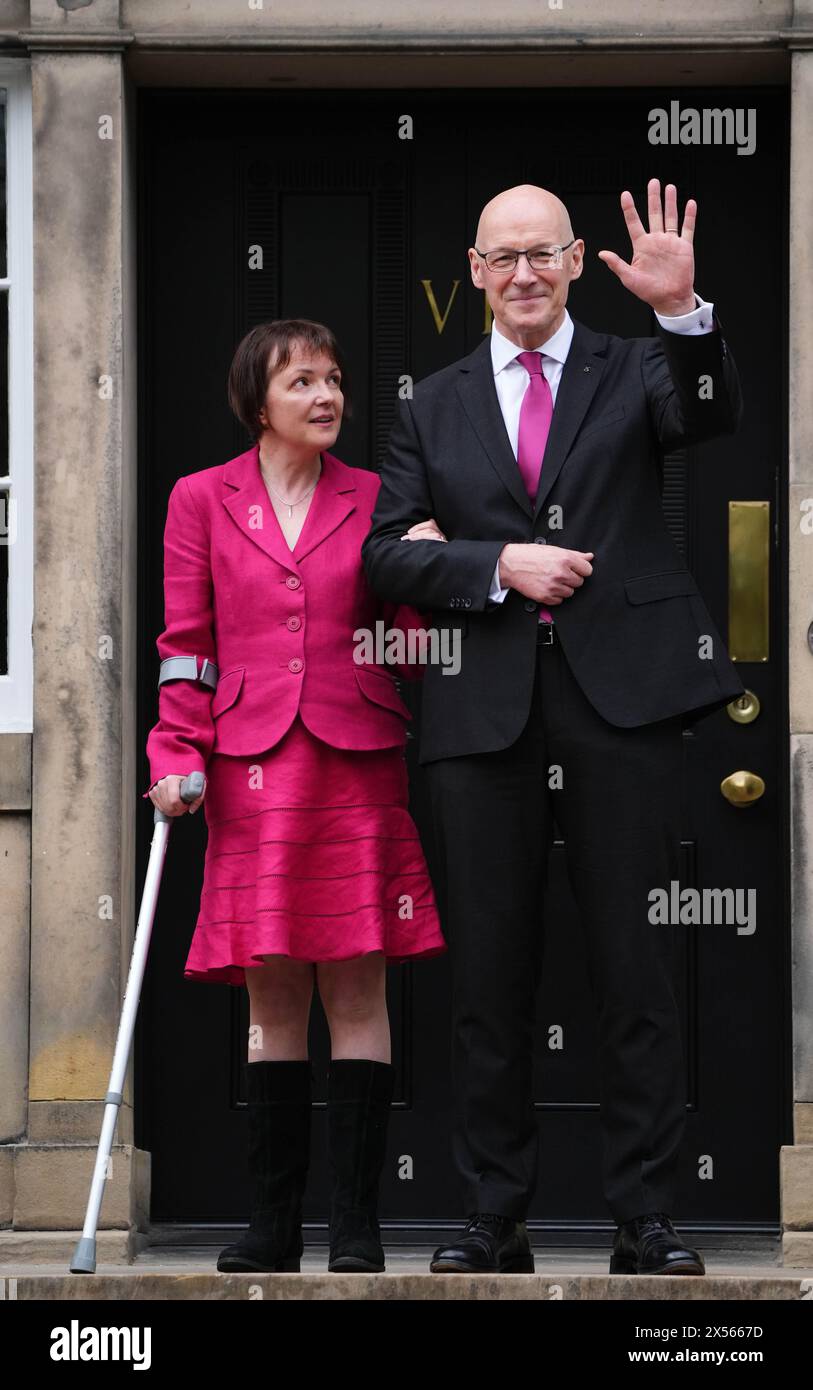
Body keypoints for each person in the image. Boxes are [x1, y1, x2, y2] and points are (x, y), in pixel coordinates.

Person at [362, 180, 746, 1276]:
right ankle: (493, 1217)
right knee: (486, 976)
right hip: (482, 716)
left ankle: (646, 1220)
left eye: (542, 253)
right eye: (502, 257)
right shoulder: (430, 403)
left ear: (577, 261)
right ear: (474, 273)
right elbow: (385, 551)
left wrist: (683, 316)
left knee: (636, 967)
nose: (523, 273)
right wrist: (494, 564)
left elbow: (710, 415)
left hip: (621, 699)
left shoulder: (634, 367)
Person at [143, 318, 446, 1276]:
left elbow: (407, 636)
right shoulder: (200, 499)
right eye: (302, 382)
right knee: (272, 992)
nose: (325, 398)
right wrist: (174, 746)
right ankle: (272, 1227)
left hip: (356, 756)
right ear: (256, 400)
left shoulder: (378, 496)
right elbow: (187, 641)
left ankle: (356, 1228)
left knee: (358, 982)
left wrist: (430, 570)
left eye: (333, 380)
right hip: (248, 763)